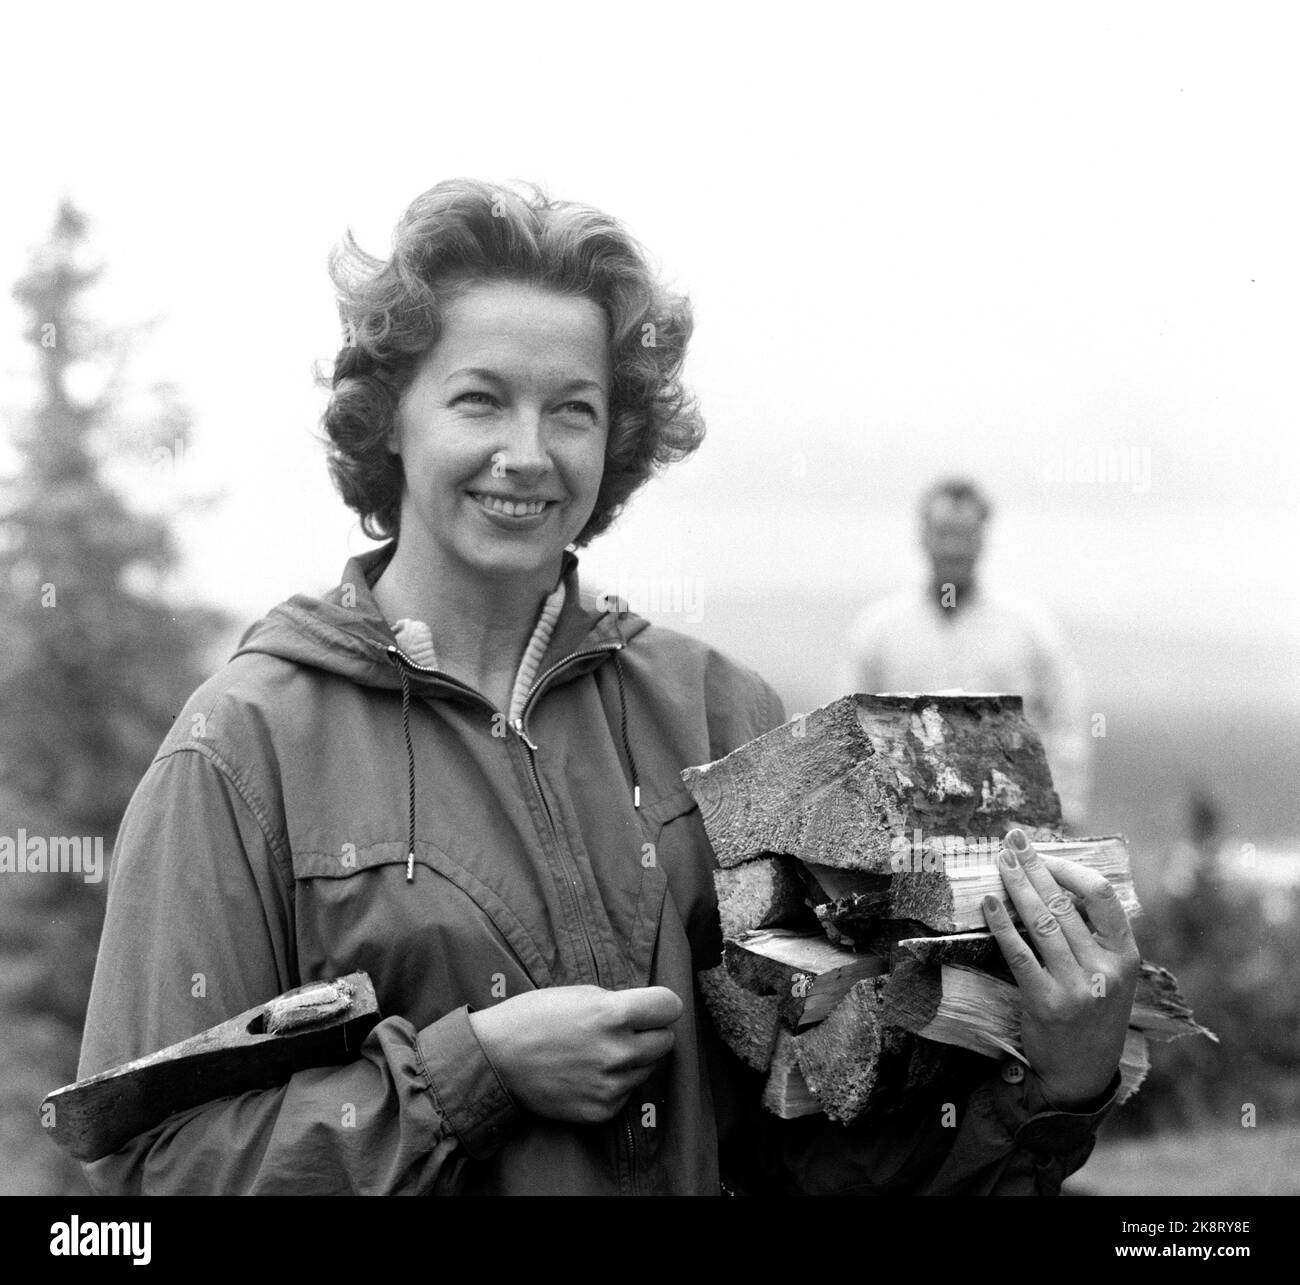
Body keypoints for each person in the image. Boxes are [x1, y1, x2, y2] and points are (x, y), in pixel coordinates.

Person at [78, 180, 1138, 1195]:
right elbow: (150, 1173)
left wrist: (1057, 1075)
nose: (527, 455)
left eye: (571, 410)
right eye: (479, 399)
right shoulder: (241, 752)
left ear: (615, 436)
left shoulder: (726, 716)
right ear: (388, 418)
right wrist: (466, 1078)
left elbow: (826, 1159)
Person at [848, 478, 1092, 828]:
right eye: (944, 534)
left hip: (1012, 831)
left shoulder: (1030, 630)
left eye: (964, 536)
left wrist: (1065, 813)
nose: (953, 549)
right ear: (923, 537)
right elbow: (850, 733)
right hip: (903, 833)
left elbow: (1065, 729)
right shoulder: (879, 632)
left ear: (982, 540)